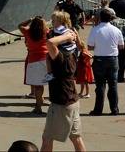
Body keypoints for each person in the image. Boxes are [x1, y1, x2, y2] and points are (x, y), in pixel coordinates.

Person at [40, 24, 85, 152]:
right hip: (72, 100)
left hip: (61, 103)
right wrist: (71, 36)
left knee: (47, 138)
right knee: (76, 137)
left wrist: (66, 36)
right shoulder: (73, 54)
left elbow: (49, 42)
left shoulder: (61, 57)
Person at [86, 8, 124, 116]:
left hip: (99, 59)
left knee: (100, 86)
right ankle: (114, 109)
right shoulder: (116, 30)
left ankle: (98, 110)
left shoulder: (95, 30)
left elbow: (90, 46)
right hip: (113, 59)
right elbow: (121, 46)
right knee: (113, 85)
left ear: (100, 17)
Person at [19, 16, 48, 115]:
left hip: (33, 61)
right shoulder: (46, 32)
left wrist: (30, 19)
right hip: (45, 60)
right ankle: (41, 102)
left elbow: (20, 26)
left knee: (37, 85)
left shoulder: (28, 32)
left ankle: (38, 106)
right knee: (44, 83)